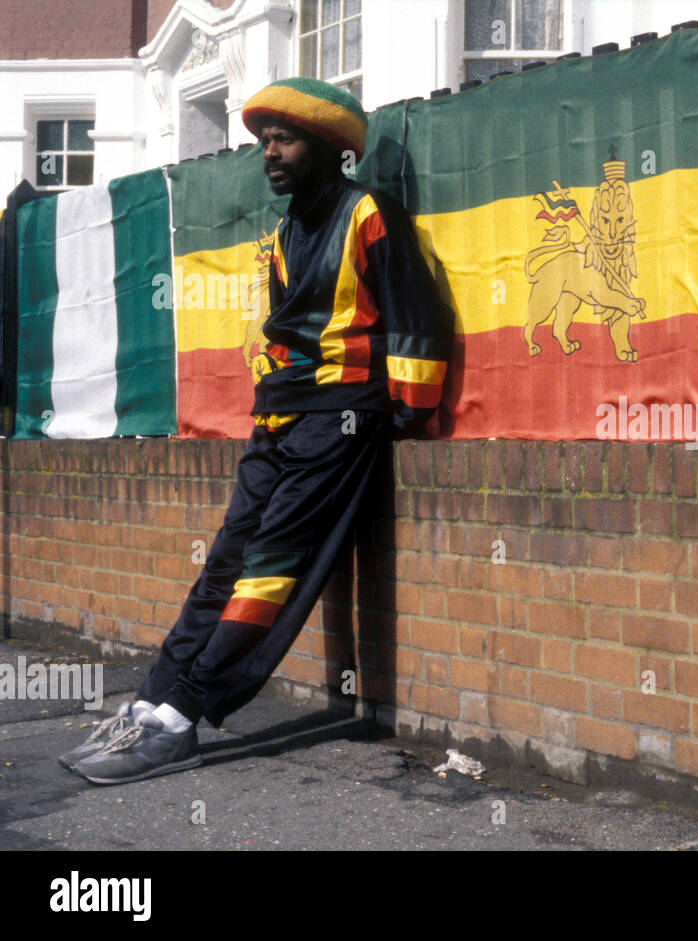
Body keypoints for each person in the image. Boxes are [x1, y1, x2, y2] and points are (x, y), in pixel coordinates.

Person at [61, 77, 454, 784]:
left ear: (331, 147)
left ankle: (183, 714)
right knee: (225, 561)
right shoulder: (282, 234)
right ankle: (152, 697)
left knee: (271, 564)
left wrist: (402, 414)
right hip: (279, 418)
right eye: (264, 141)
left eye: (284, 139)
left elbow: (415, 315)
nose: (268, 154)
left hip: (338, 420)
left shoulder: (370, 213)